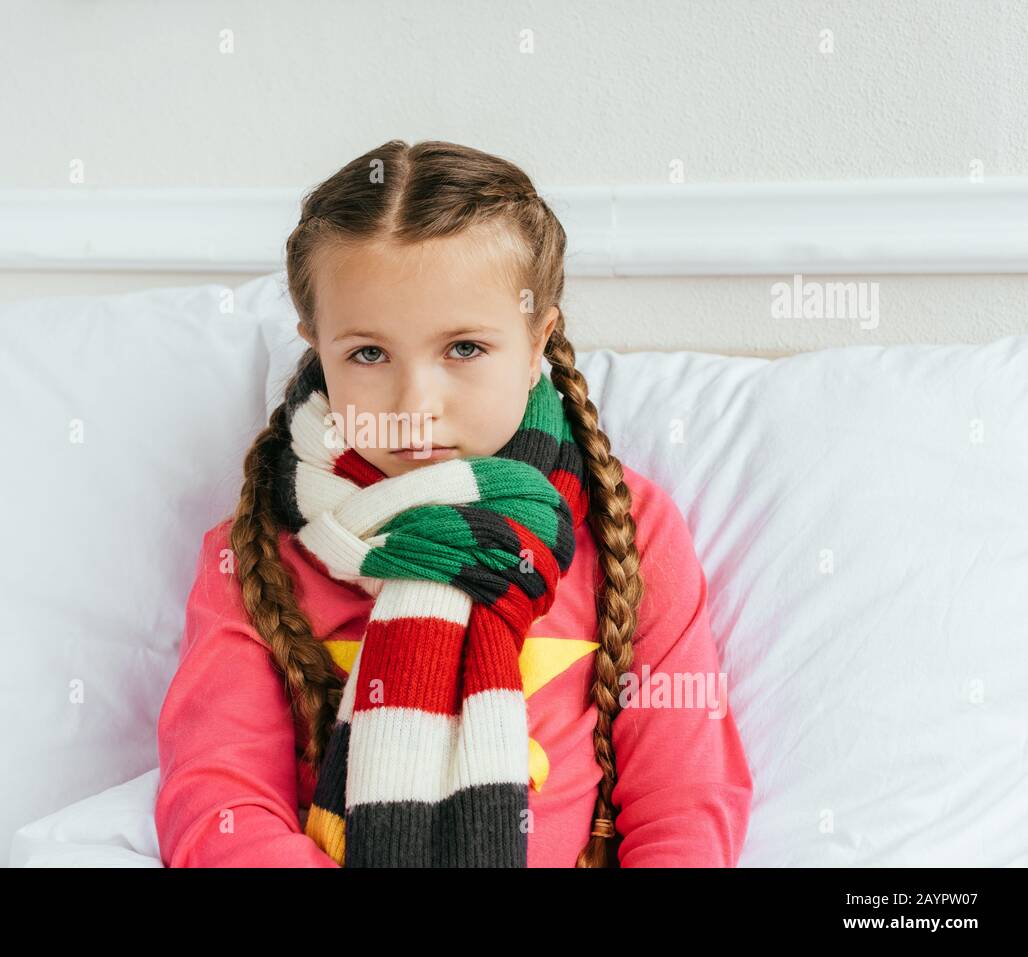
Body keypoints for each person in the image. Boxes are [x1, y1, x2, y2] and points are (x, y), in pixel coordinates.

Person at [155, 139, 753, 867]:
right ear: (316, 345)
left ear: (538, 341)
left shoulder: (626, 526)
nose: (416, 405)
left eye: (465, 348)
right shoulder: (254, 549)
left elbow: (685, 800)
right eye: (368, 354)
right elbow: (219, 802)